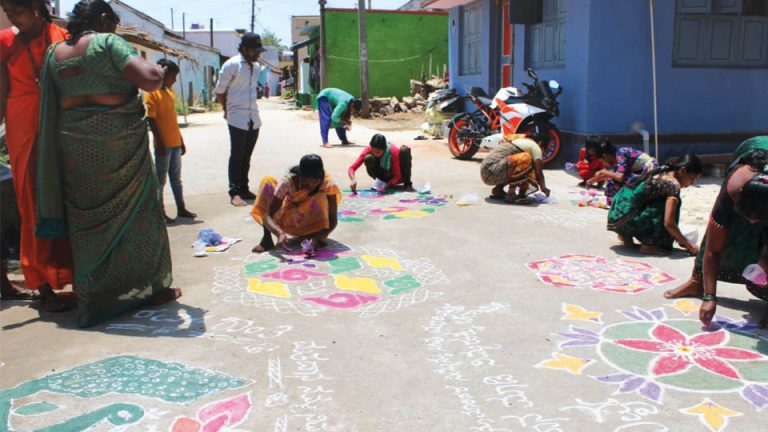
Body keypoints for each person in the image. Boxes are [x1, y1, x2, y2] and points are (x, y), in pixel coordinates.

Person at [36, 0, 180, 327]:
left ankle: (92, 297)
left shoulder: (54, 55)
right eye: (113, 23)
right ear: (104, 19)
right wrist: (157, 69)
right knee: (143, 217)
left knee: (87, 229)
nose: (115, 29)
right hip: (121, 153)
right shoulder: (107, 43)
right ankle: (153, 288)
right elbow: (149, 80)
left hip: (76, 159)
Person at [0, 0, 74, 311]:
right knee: (32, 203)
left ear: (35, 7)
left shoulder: (63, 36)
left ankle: (79, 277)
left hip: (60, 124)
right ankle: (42, 284)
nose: (11, 17)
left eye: (16, 10)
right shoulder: (5, 43)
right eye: (7, 11)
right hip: (23, 127)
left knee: (69, 198)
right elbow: (1, 93)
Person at [664, 137, 768, 328]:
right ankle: (697, 281)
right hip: (753, 151)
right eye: (749, 217)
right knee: (719, 230)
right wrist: (709, 296)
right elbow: (713, 249)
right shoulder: (731, 192)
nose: (752, 223)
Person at [607, 154, 702, 255]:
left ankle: (626, 235)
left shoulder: (662, 171)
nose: (692, 183)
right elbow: (669, 223)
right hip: (628, 218)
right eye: (692, 178)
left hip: (616, 215)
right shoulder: (673, 185)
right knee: (669, 204)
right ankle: (651, 245)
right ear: (683, 171)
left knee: (653, 200)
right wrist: (689, 245)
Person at [250, 154, 341, 256]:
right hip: (288, 219)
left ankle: (314, 236)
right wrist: (279, 233)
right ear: (300, 176)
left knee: (321, 196)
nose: (310, 186)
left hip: (311, 221)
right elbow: (267, 215)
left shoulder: (326, 182)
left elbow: (333, 219)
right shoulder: (288, 181)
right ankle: (266, 239)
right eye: (307, 182)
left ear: (320, 178)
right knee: (267, 181)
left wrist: (317, 238)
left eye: (314, 183)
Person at [215, 32, 265, 207]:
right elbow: (220, 91)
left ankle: (244, 187)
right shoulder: (232, 65)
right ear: (245, 49)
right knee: (237, 155)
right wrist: (226, 110)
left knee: (247, 156)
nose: (258, 54)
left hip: (253, 117)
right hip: (237, 117)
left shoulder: (256, 67)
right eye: (255, 50)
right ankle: (234, 192)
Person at [144, 58, 196, 224]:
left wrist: (181, 140)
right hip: (163, 145)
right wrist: (159, 142)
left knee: (176, 179)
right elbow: (151, 120)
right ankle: (160, 211)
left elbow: (173, 120)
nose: (174, 80)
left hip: (174, 142)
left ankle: (181, 208)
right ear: (163, 74)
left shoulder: (169, 93)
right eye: (172, 76)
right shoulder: (152, 93)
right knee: (161, 180)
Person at [481, 134, 551, 203]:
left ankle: (498, 190)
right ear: (540, 143)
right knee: (527, 159)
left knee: (516, 164)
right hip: (493, 171)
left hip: (486, 171)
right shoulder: (535, 146)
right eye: (543, 150)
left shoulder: (520, 140)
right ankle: (511, 194)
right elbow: (538, 171)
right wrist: (544, 188)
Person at [587, 140, 658, 206]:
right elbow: (616, 174)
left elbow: (619, 177)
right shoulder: (619, 156)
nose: (604, 163)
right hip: (646, 174)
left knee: (612, 181)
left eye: (603, 160)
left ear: (606, 156)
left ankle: (614, 203)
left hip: (650, 173)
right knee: (612, 178)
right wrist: (597, 178)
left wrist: (603, 171)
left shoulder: (621, 153)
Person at [348, 134, 414, 194]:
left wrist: (388, 184)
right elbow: (352, 168)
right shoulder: (368, 149)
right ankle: (379, 182)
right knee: (368, 158)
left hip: (396, 177)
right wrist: (353, 180)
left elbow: (397, 175)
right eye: (373, 151)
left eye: (378, 152)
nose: (375, 154)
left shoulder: (393, 151)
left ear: (384, 149)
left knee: (404, 150)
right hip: (382, 177)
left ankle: (408, 184)